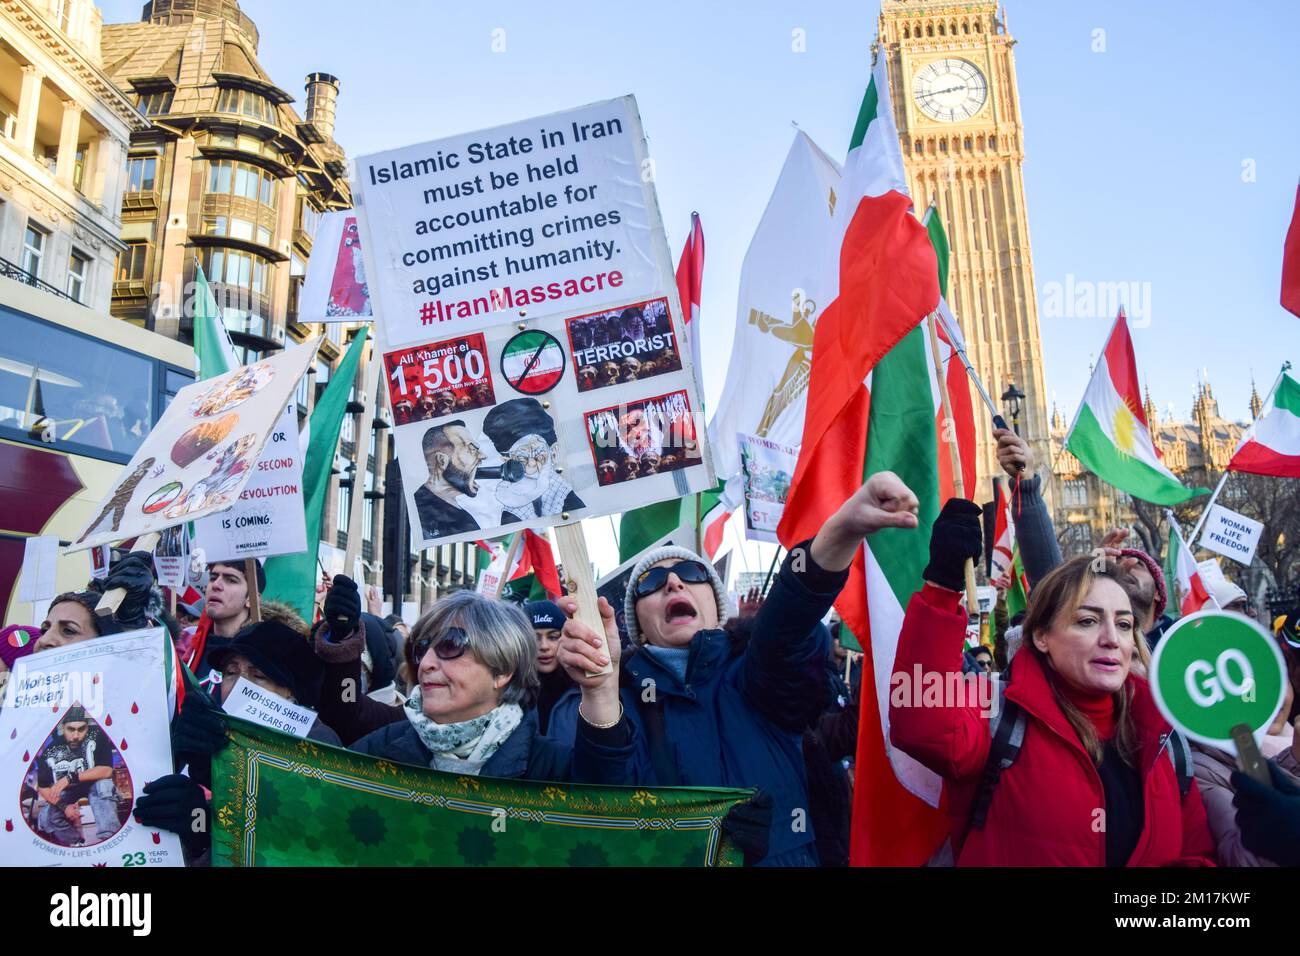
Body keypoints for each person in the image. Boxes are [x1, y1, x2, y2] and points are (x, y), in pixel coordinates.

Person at [554, 470, 923, 866]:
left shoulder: (754, 677)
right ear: (637, 626)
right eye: (652, 581)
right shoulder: (621, 702)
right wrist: (600, 690)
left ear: (717, 607)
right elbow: (603, 809)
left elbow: (787, 624)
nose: (674, 582)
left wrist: (841, 532)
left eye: (693, 575)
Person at [890, 499, 1215, 866]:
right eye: (1087, 621)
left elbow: (1196, 853)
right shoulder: (1000, 712)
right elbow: (921, 725)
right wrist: (942, 588)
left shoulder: (1165, 740)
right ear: (1042, 635)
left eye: (1124, 625)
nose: (1111, 638)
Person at [1193, 680, 1298, 866]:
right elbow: (1241, 860)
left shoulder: (1291, 742)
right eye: (1247, 685)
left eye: (1278, 678)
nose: (1278, 698)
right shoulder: (1200, 769)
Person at [208, 620, 342, 745]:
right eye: (231, 672)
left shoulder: (318, 743)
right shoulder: (209, 732)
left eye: (258, 676)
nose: (239, 685)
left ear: (291, 693)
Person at [481, 398, 583, 522]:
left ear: (553, 453)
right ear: (506, 460)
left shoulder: (568, 501)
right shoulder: (507, 509)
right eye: (521, 457)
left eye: (539, 454)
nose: (532, 464)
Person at [34, 705, 120, 846]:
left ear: (87, 726)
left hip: (95, 783)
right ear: (62, 728)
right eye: (71, 729)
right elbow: (43, 787)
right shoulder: (51, 749)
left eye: (81, 729)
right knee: (47, 816)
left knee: (103, 786)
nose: (76, 735)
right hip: (70, 790)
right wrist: (64, 806)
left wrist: (69, 778)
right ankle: (76, 843)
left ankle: (109, 838)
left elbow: (106, 770)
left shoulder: (97, 735)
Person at [183, 559, 266, 686]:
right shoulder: (187, 647)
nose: (216, 585)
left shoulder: (268, 660)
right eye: (213, 577)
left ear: (251, 599)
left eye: (231, 580)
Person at [414, 420, 484, 538]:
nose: (482, 455)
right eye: (471, 449)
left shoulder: (462, 517)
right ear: (442, 461)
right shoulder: (418, 513)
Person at [525, 600, 573, 736]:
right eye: (534, 638)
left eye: (553, 637)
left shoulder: (585, 689)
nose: (544, 646)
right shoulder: (508, 692)